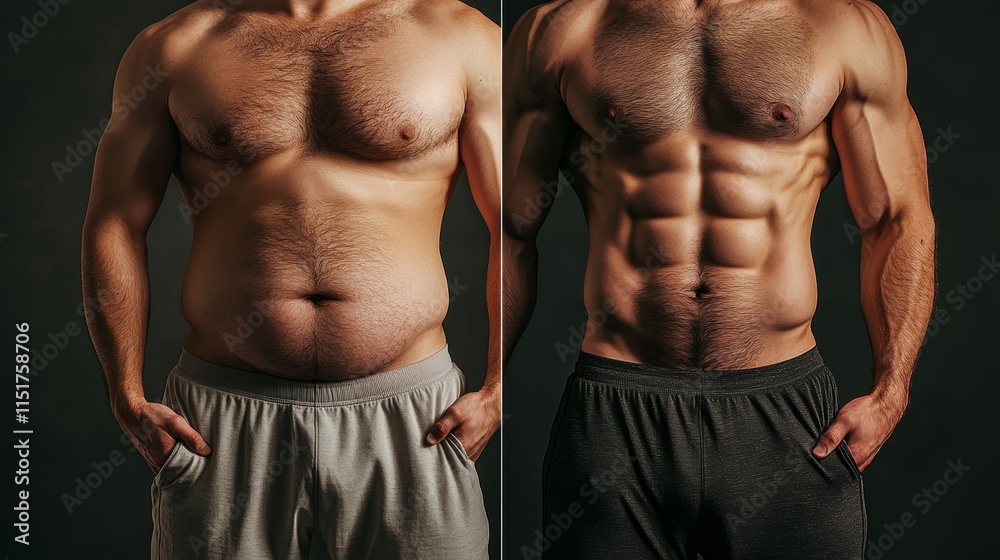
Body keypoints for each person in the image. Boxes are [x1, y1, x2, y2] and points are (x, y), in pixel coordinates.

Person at [502, 0, 935, 557]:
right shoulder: (565, 27)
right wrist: (493, 386)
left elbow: (897, 215)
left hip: (786, 411)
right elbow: (512, 228)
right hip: (618, 407)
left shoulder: (841, 26)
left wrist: (891, 390)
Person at [81, 0, 500, 558]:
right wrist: (125, 395)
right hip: (223, 420)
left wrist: (497, 389)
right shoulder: (178, 46)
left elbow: (513, 226)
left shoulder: (460, 37)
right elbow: (114, 223)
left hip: (414, 416)